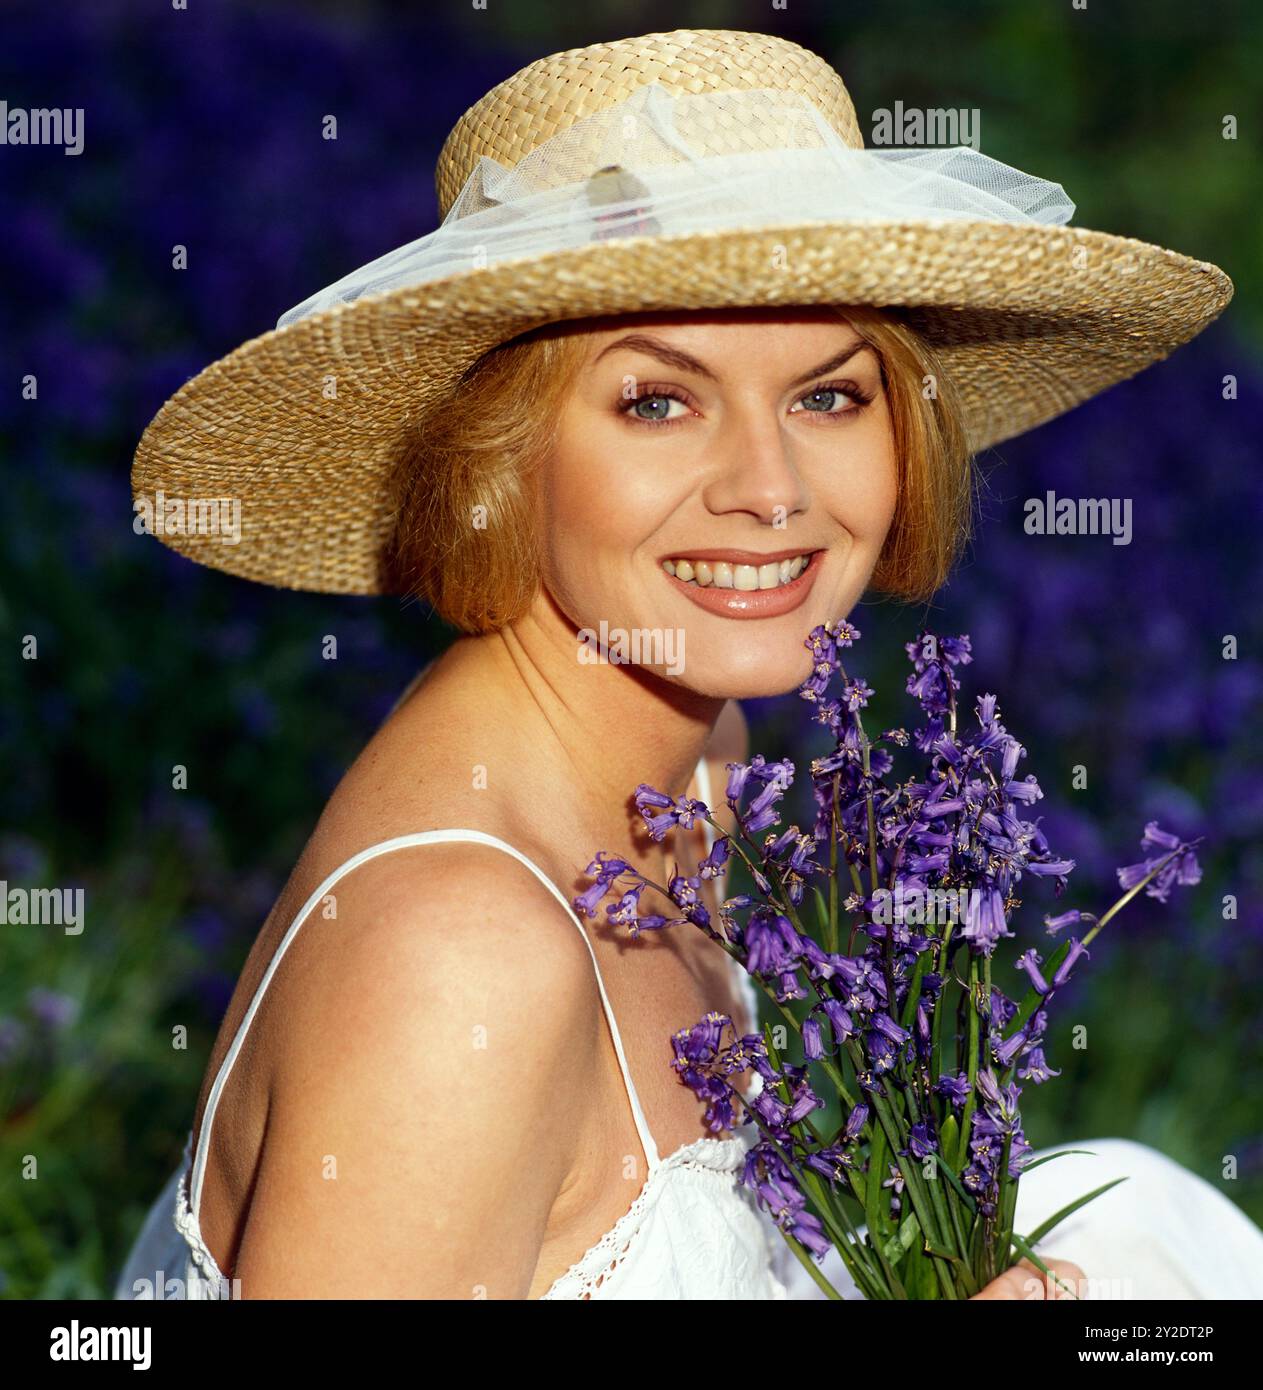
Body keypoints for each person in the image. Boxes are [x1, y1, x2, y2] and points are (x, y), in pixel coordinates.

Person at [115, 29, 1261, 1300]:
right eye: (659, 402)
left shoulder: (698, 766)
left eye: (830, 396)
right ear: (498, 460)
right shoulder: (463, 960)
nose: (771, 494)